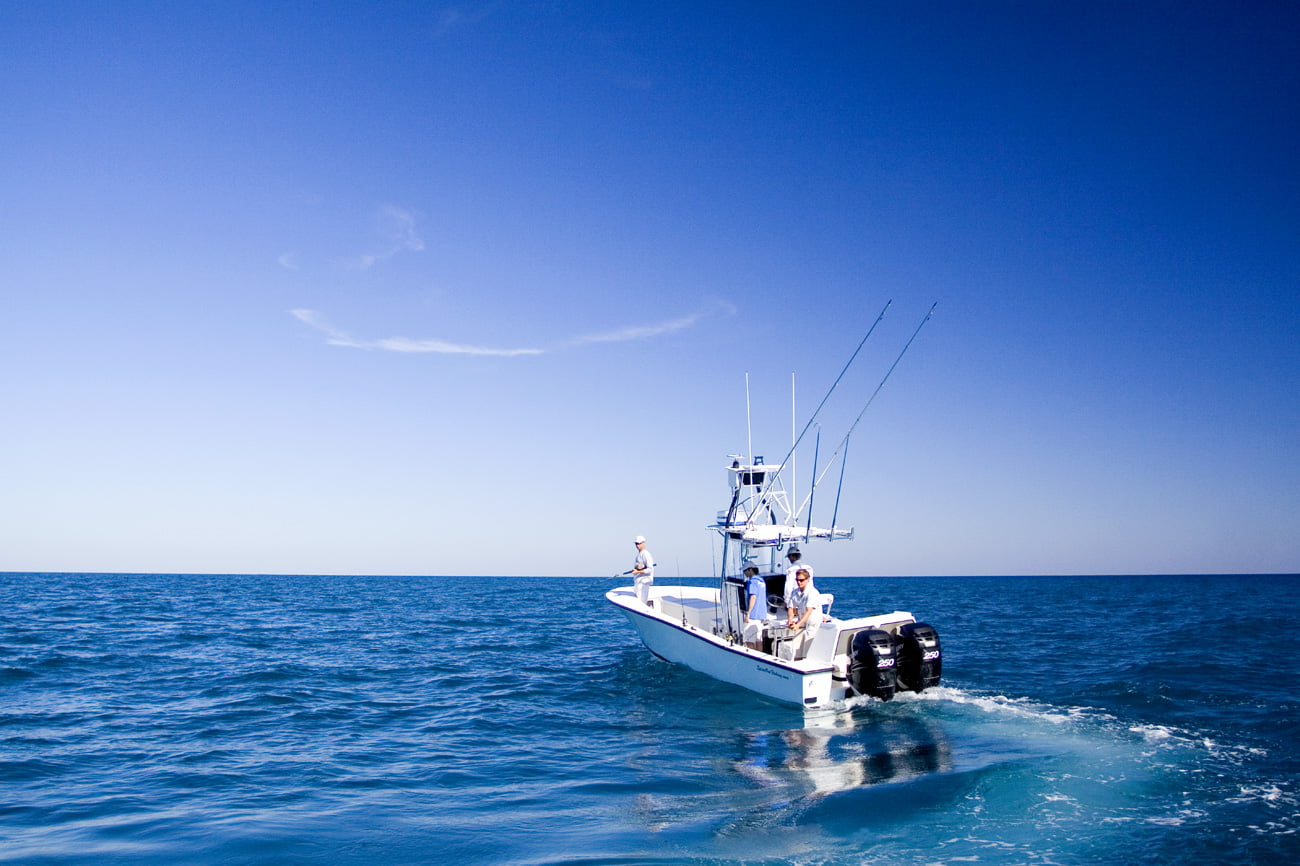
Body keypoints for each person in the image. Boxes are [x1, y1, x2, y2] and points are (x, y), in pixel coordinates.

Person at [784, 568, 822, 659]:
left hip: (812, 626)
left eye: (801, 580)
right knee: (796, 651)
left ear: (808, 580)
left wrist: (798, 625)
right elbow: (791, 607)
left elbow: (809, 611)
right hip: (802, 625)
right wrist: (790, 620)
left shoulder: (812, 593)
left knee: (808, 653)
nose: (799, 582)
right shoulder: (795, 592)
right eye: (797, 580)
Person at [742, 566, 767, 650]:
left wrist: (748, 613)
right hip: (761, 615)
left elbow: (753, 597)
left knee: (748, 639)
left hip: (753, 615)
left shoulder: (752, 582)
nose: (744, 573)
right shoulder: (762, 581)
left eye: (745, 570)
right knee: (758, 639)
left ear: (750, 570)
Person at [630, 535, 655, 607]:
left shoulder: (645, 554)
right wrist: (636, 570)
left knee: (642, 604)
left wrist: (637, 572)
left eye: (639, 543)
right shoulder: (639, 554)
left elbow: (650, 569)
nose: (637, 545)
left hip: (643, 583)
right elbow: (641, 567)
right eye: (636, 544)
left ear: (644, 543)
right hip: (639, 583)